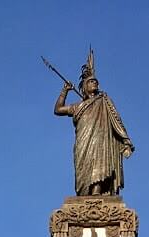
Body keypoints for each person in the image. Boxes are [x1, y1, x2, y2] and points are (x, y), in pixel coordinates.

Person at [54, 50, 134, 197]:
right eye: (91, 81)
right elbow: (58, 109)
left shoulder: (104, 101)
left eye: (96, 81)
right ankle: (85, 194)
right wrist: (64, 91)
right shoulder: (78, 106)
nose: (95, 83)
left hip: (100, 138)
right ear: (85, 86)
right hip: (83, 141)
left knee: (99, 161)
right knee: (83, 166)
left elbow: (116, 119)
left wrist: (125, 140)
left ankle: (97, 191)